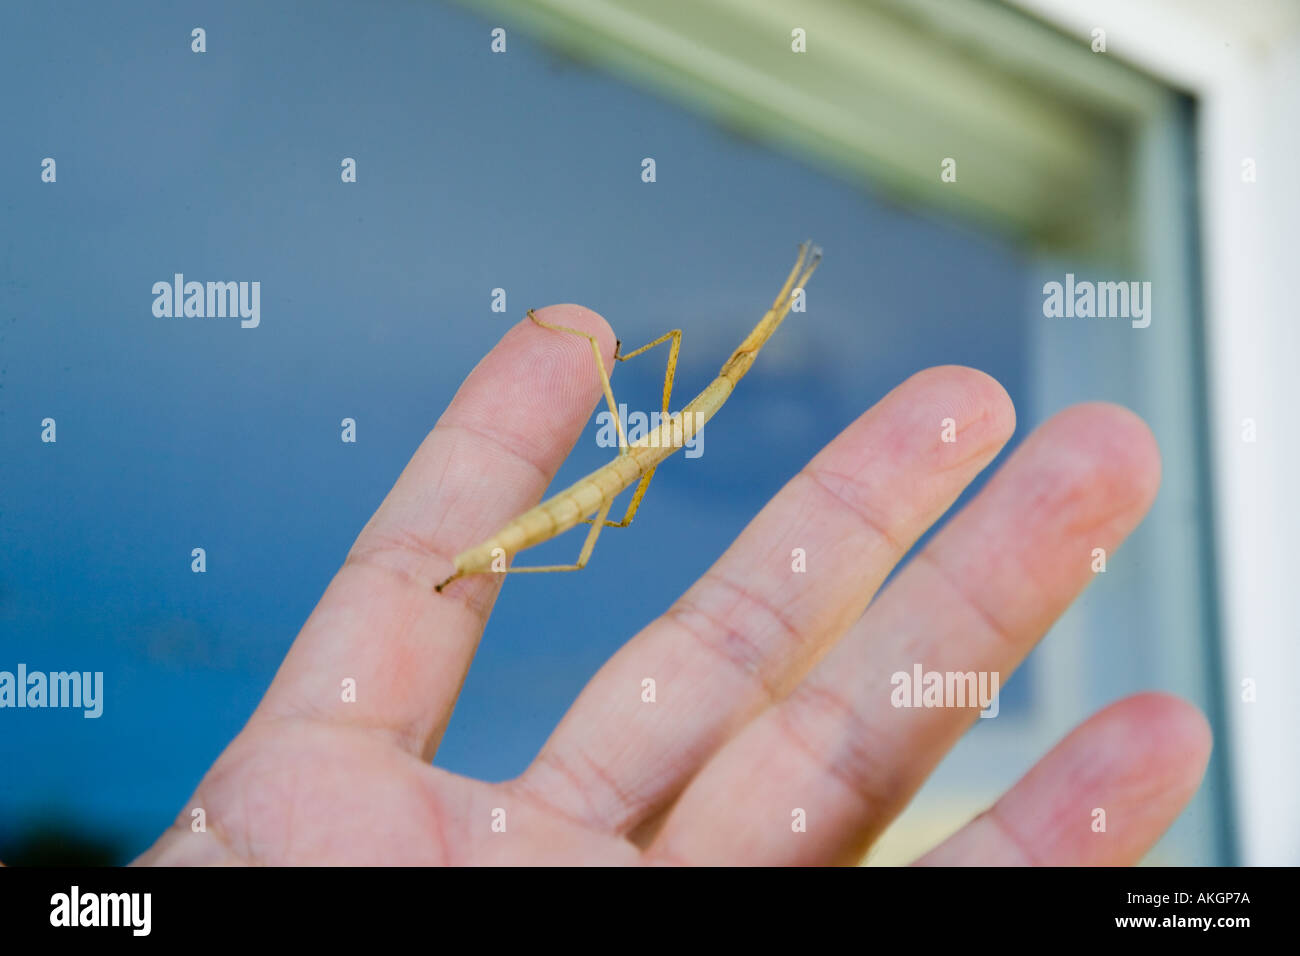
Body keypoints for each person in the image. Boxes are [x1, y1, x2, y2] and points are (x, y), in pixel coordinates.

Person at [134, 305, 1210, 865]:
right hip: (543, 517)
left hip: (553, 517)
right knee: (596, 499)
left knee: (593, 515)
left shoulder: (643, 456)